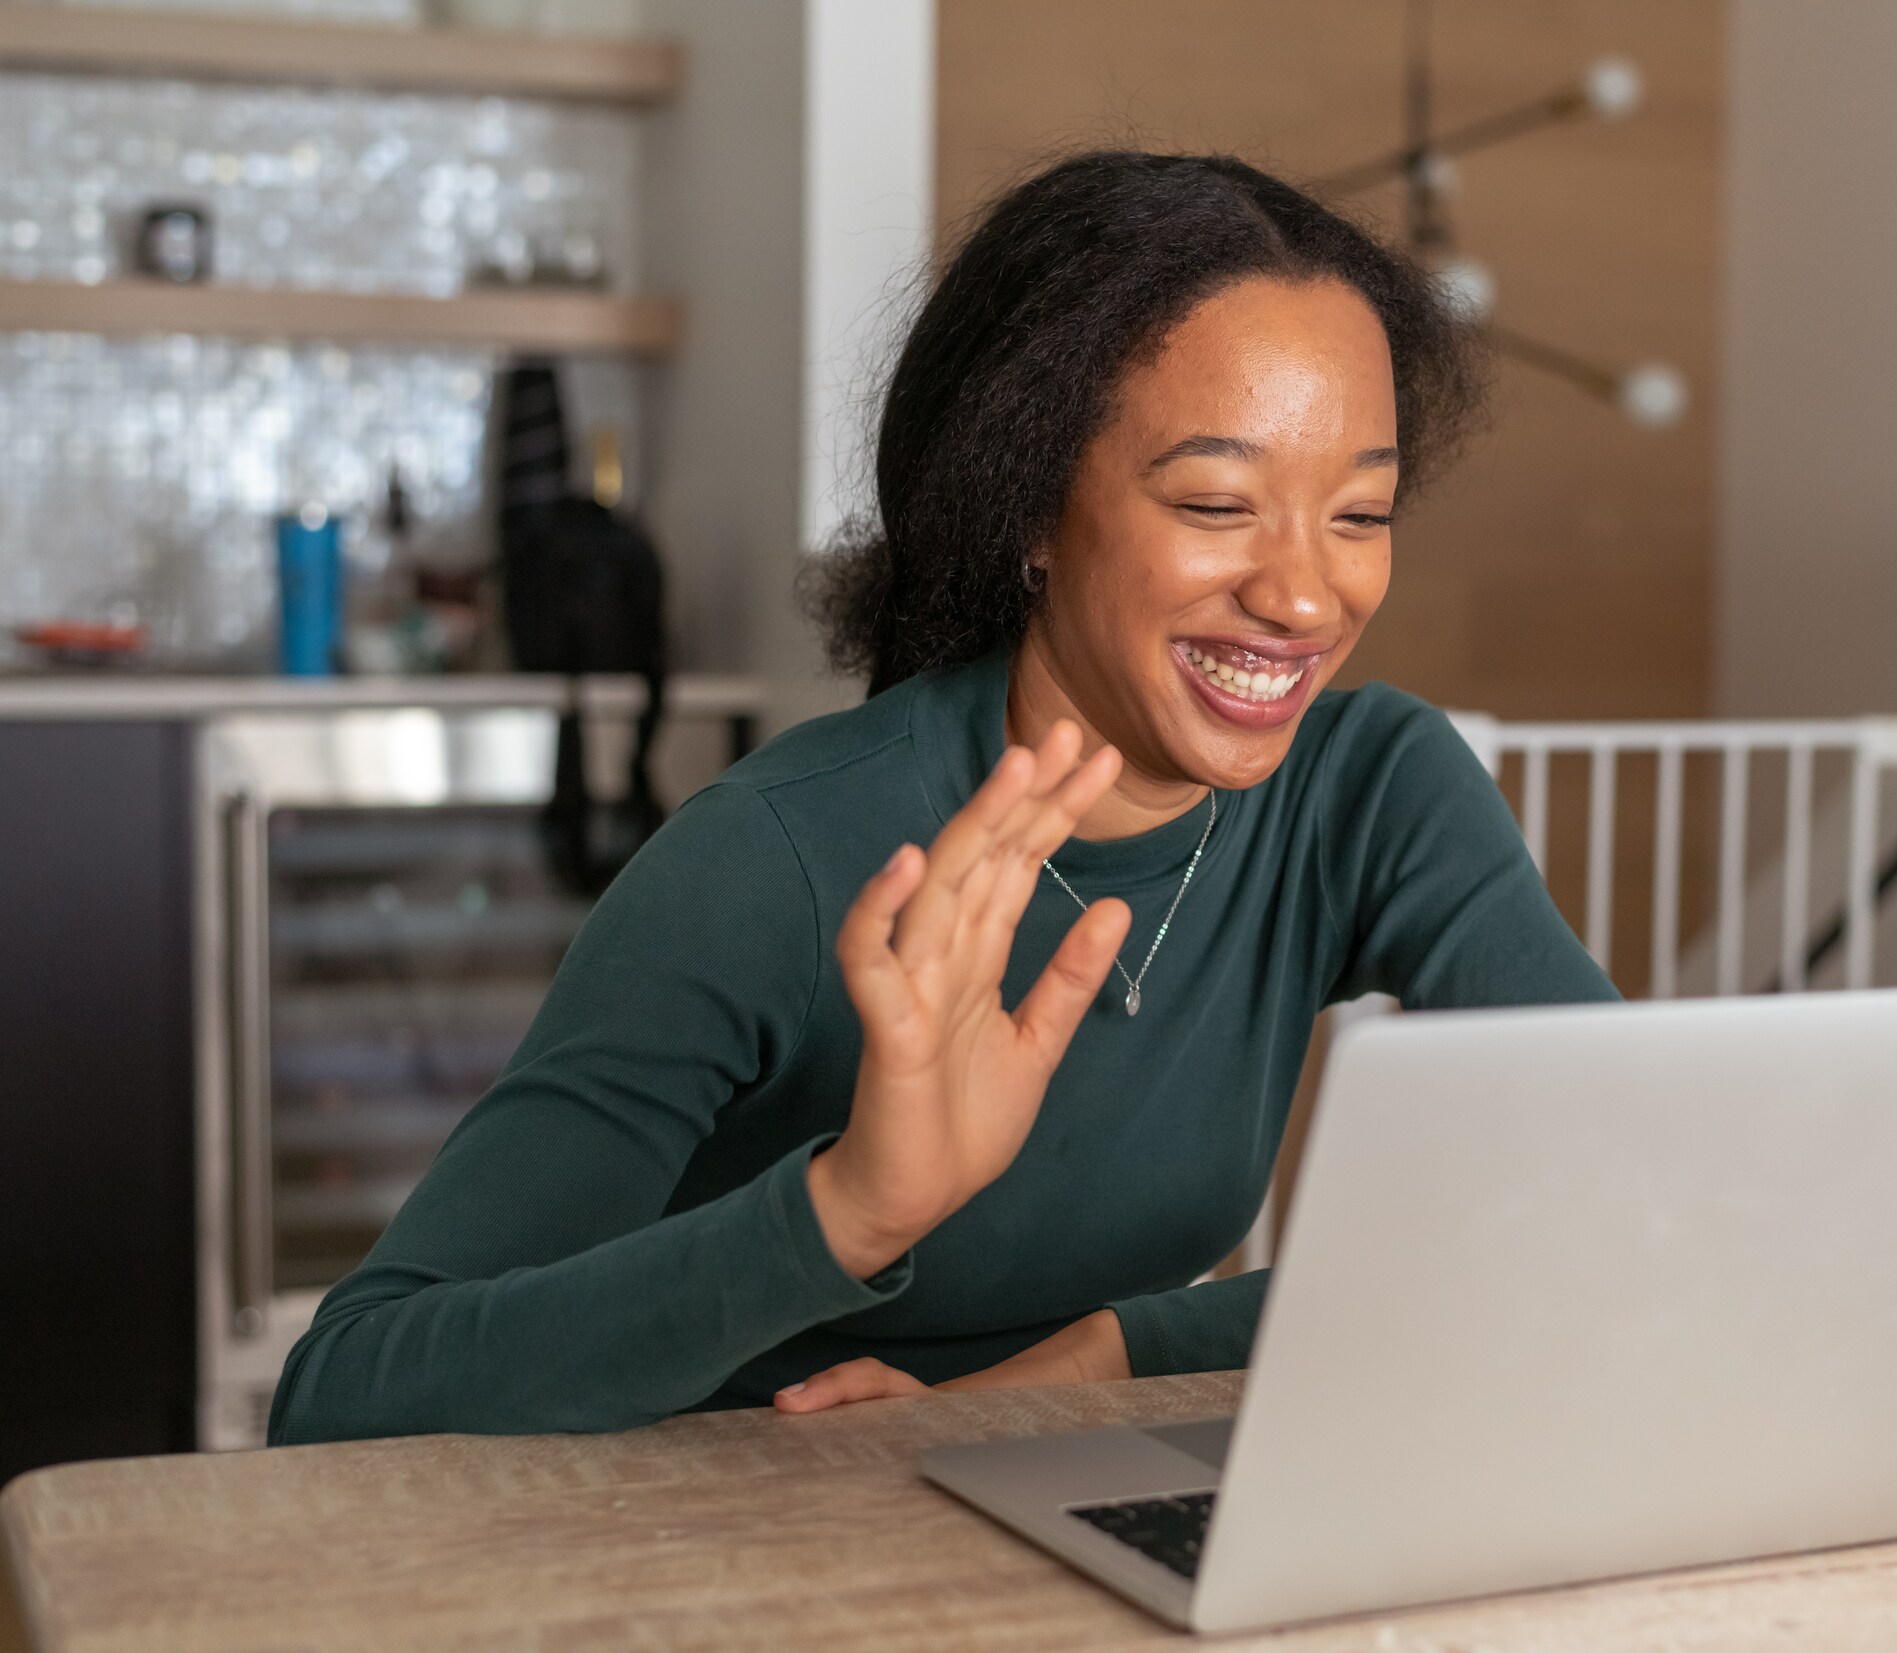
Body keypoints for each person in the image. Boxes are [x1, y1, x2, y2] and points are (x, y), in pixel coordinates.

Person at [269, 151, 1617, 1444]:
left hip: (1075, 1487)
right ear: (1030, 504)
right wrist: (846, 1212)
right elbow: (345, 1391)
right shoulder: (779, 856)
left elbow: (1617, 1192)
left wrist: (1097, 1357)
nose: (1307, 596)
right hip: (720, 1530)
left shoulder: (1370, 788)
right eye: (1217, 502)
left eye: (1361, 516)